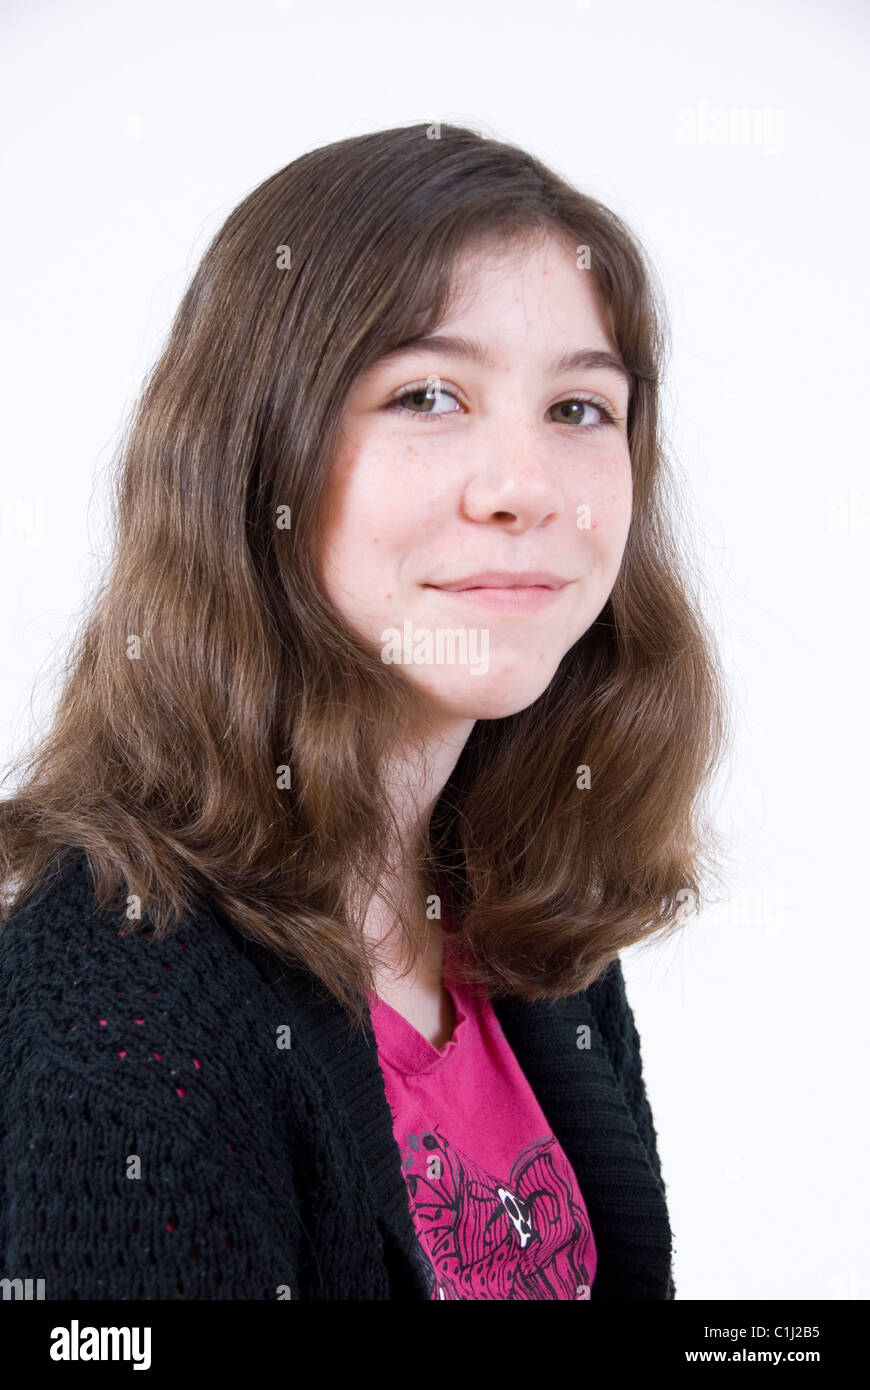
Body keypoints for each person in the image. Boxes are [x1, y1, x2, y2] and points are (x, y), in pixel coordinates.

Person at [0, 122, 728, 1300]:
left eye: (580, 409)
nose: (525, 487)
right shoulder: (123, 1015)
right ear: (257, 458)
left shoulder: (526, 919)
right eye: (430, 395)